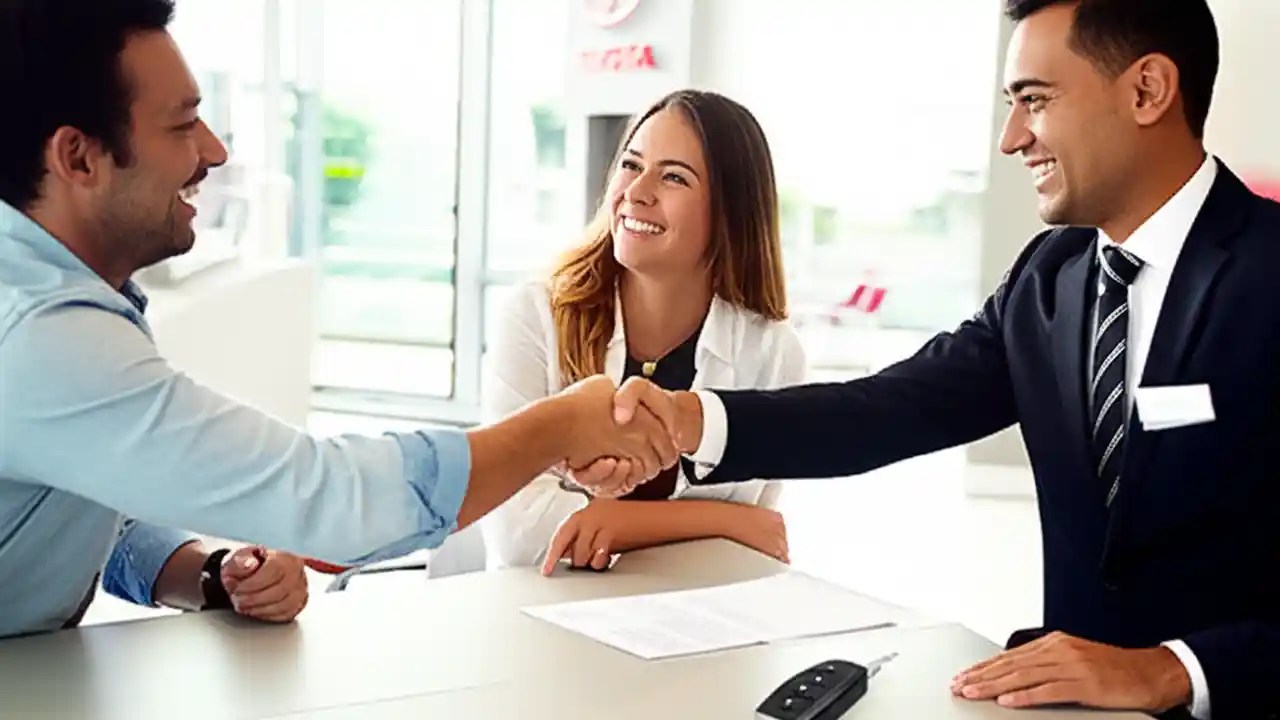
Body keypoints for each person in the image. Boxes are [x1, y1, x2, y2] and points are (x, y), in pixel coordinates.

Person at [583, 1, 1280, 718]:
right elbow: (887, 411)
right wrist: (689, 418)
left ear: (1147, 91)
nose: (1012, 138)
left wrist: (1171, 671)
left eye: (1035, 101)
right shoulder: (1051, 279)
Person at [0, 0, 674, 639]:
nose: (214, 151)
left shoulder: (43, 296)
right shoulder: (41, 334)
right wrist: (558, 425)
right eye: (181, 125)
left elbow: (80, 499)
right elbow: (329, 498)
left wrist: (209, 575)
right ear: (78, 157)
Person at [480, 90, 805, 575]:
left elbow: (752, 552)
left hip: (695, 622)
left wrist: (611, 522)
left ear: (730, 211)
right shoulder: (535, 315)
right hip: (540, 621)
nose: (637, 191)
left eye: (673, 177)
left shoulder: (773, 353)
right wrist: (724, 521)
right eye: (632, 165)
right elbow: (518, 532)